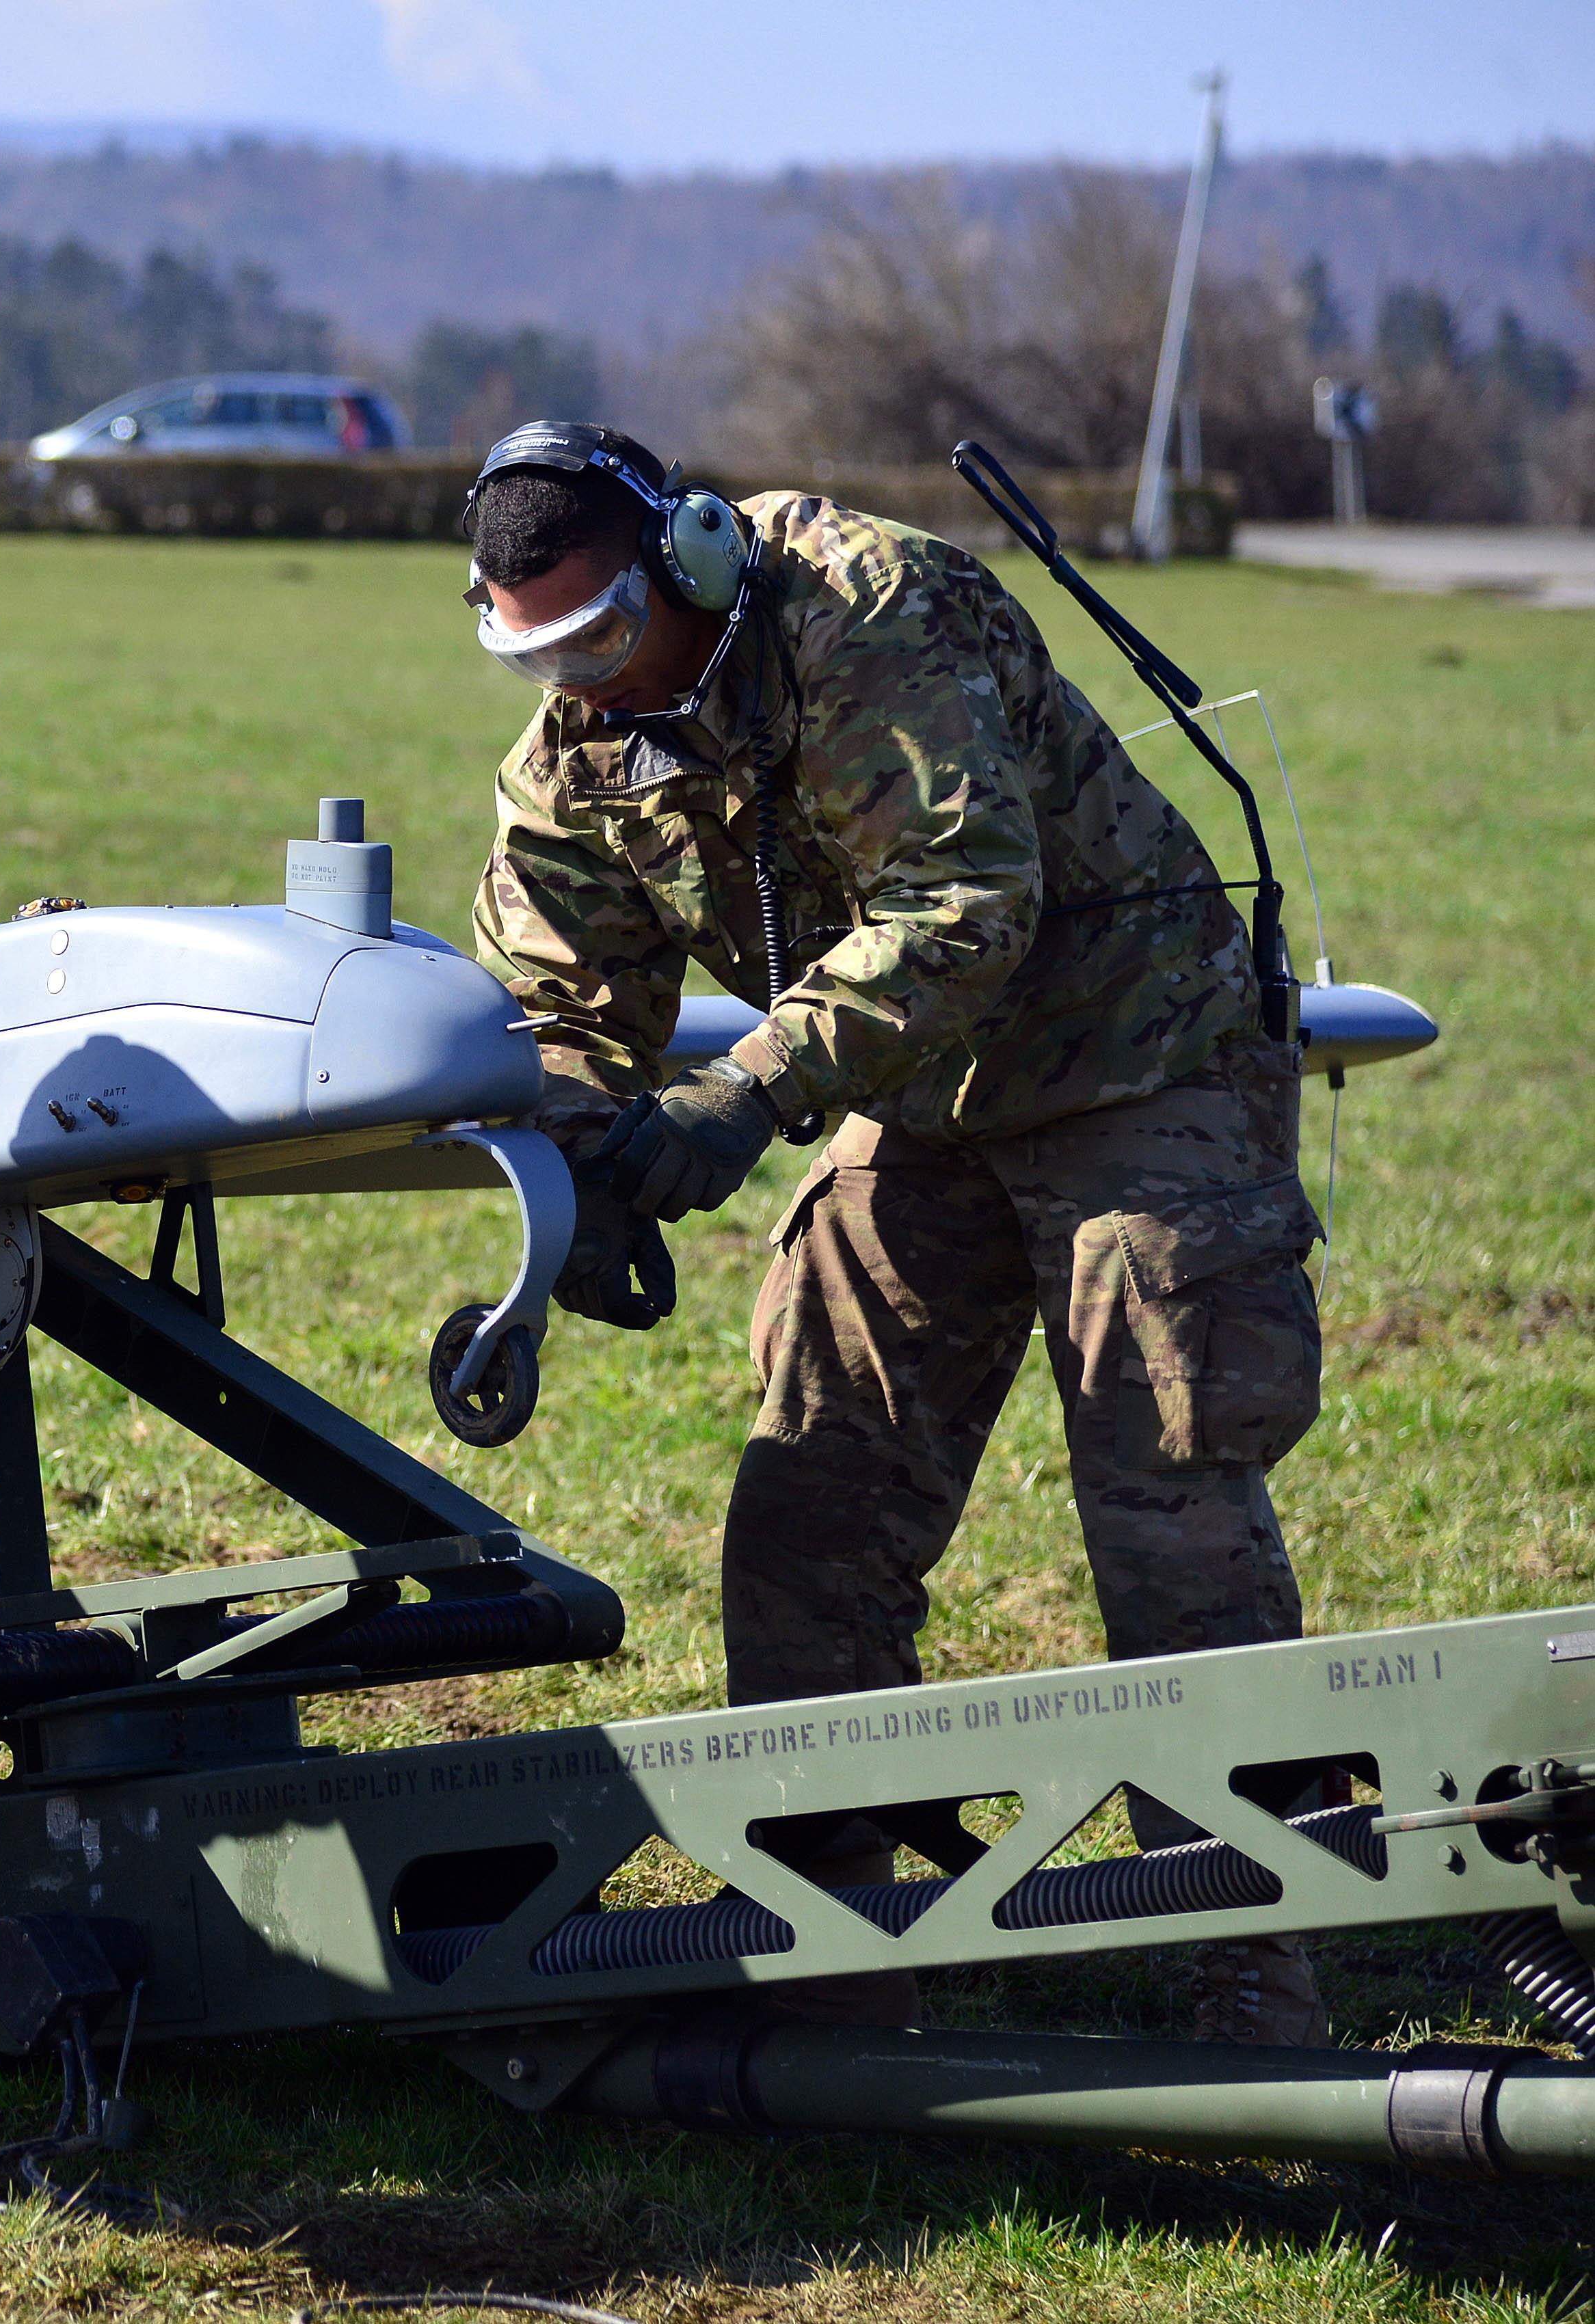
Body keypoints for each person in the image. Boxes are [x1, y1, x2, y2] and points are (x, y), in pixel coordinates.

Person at [459, 422, 1328, 2043]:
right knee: (812, 1507)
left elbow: (961, 904)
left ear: (687, 556)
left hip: (1128, 1048)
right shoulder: (579, 744)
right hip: (912, 1090)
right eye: (538, 657)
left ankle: (1255, 1953)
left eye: (602, 634)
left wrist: (743, 1093)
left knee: (1168, 1508)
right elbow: (560, 1005)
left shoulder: (869, 612)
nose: (582, 683)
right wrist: (577, 1174)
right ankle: (834, 1943)